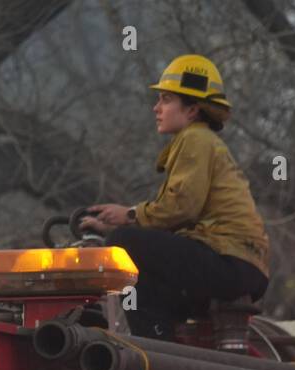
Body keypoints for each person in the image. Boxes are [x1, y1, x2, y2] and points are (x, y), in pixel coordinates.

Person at [82, 54, 270, 341]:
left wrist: (128, 217)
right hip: (239, 266)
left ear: (193, 109)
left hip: (230, 263)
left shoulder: (195, 139)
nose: (156, 108)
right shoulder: (199, 141)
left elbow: (181, 207)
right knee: (138, 263)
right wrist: (115, 225)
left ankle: (155, 354)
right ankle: (169, 346)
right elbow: (176, 224)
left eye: (166, 100)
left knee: (124, 246)